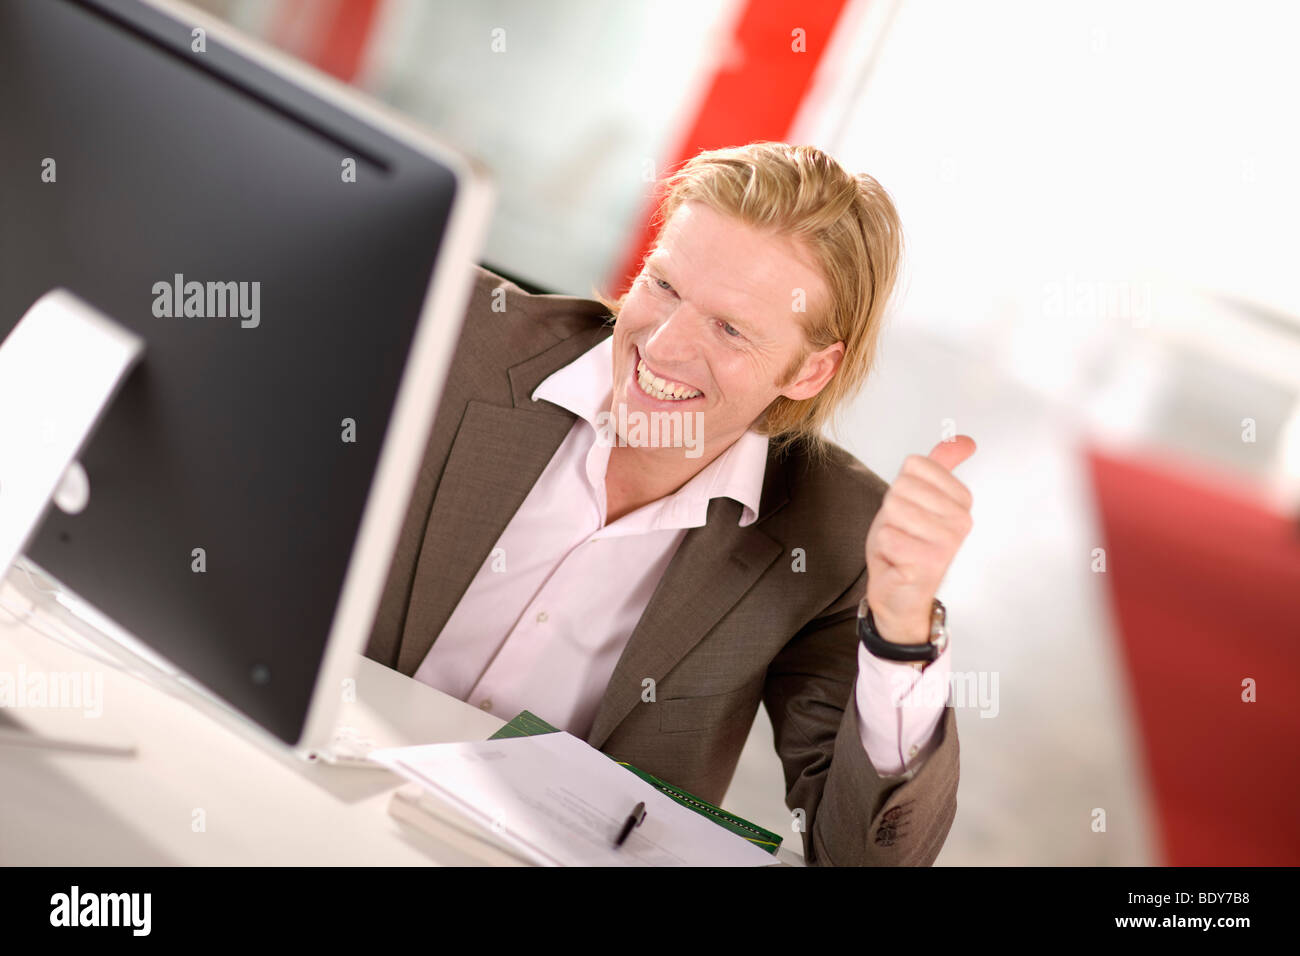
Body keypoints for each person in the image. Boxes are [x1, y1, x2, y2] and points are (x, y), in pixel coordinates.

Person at [365, 141, 977, 866]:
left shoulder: (837, 536)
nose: (663, 344)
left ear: (812, 369)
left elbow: (864, 856)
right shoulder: (452, 333)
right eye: (664, 286)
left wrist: (903, 632)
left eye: (729, 328)